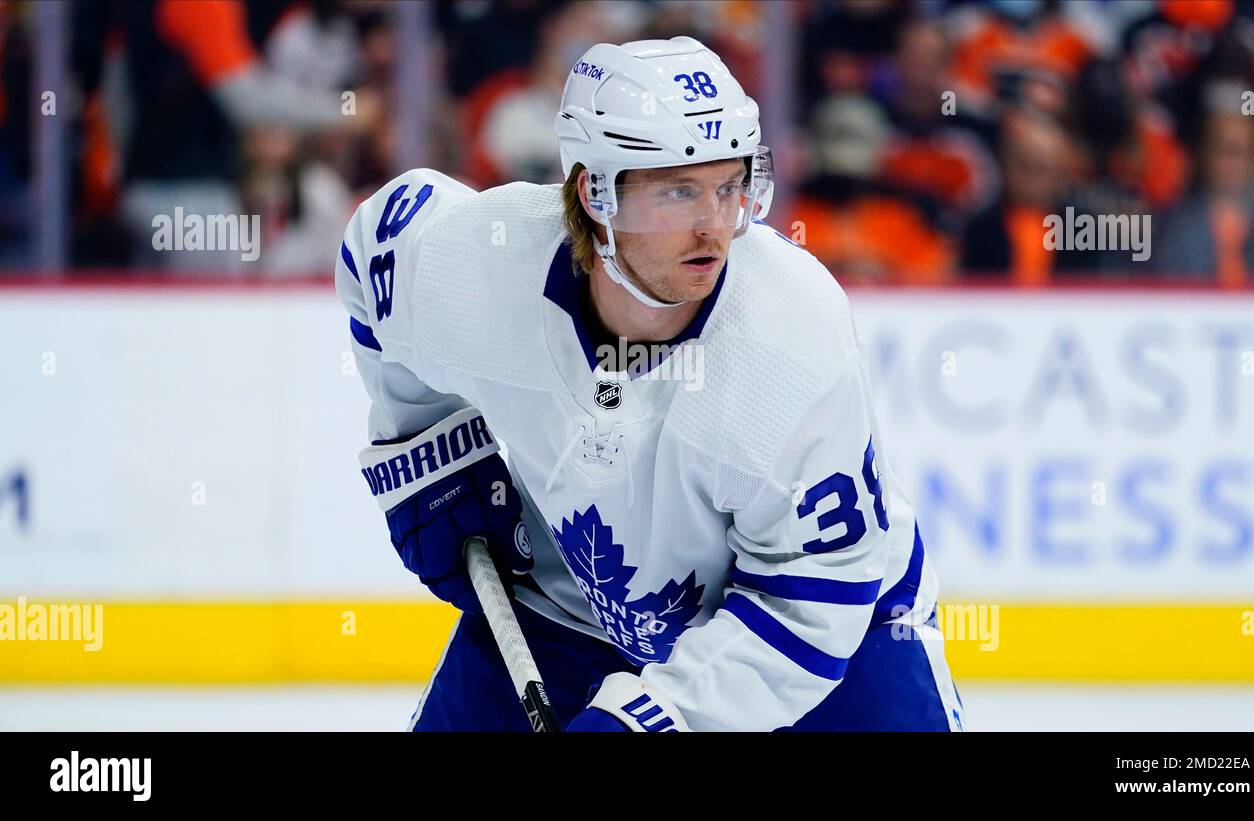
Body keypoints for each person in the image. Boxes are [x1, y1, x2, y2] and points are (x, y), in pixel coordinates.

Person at [336, 36, 963, 732]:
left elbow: (810, 603)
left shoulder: (791, 340)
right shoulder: (485, 262)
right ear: (593, 193)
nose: (714, 227)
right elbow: (372, 256)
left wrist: (656, 718)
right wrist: (426, 447)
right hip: (574, 599)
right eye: (678, 191)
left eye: (730, 187)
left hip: (830, 643)